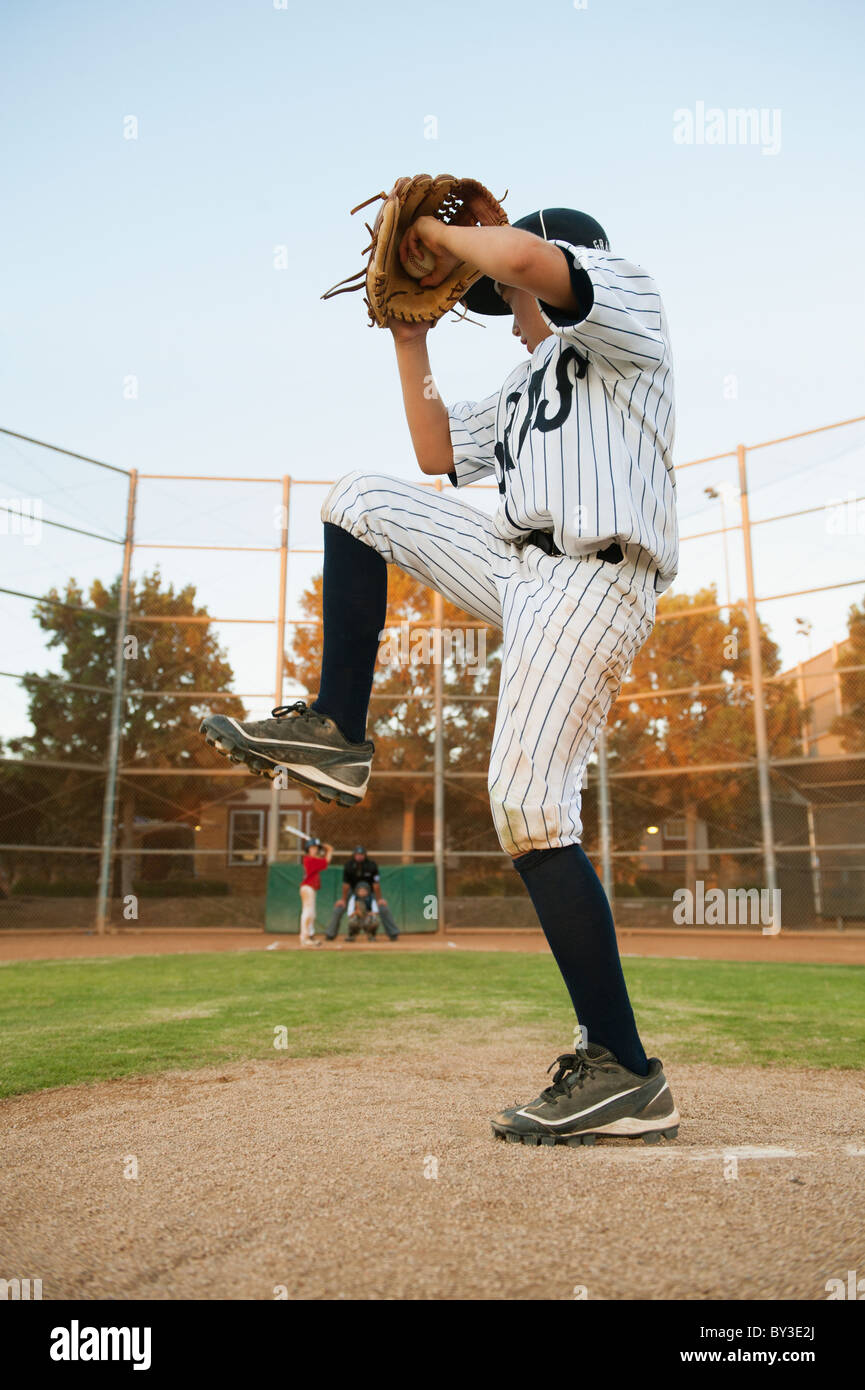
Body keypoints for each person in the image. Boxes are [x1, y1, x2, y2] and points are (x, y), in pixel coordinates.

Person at [200, 203, 679, 1145]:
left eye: (508, 280)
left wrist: (436, 238)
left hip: (595, 577)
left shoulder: (629, 310)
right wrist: (411, 340)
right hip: (517, 561)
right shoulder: (524, 380)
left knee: (528, 805)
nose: (505, 292)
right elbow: (432, 452)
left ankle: (623, 1067)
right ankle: (335, 734)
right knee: (358, 499)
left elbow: (526, 255)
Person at [325, 846, 399, 942]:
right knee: (338, 909)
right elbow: (346, 885)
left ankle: (393, 933)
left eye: (361, 854)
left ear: (365, 855)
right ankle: (330, 934)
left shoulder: (371, 865)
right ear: (354, 855)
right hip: (353, 892)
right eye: (357, 854)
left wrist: (379, 899)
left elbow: (376, 884)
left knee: (383, 908)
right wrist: (343, 900)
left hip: (369, 891)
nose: (359, 856)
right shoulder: (349, 865)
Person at [299, 838, 332, 947]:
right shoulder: (309, 859)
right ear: (308, 849)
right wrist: (330, 851)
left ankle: (310, 936)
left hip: (310, 888)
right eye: (312, 848)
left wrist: (324, 849)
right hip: (307, 888)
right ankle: (305, 937)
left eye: (316, 848)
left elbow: (322, 861)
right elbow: (326, 862)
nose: (314, 850)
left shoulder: (312, 859)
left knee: (312, 914)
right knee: (308, 913)